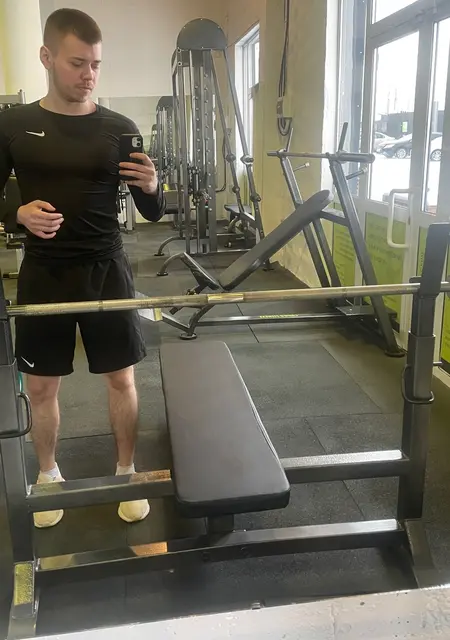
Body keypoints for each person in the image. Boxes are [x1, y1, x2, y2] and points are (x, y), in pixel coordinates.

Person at [0, 8, 166, 528]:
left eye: (95, 64)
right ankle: (49, 474)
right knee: (41, 387)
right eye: (77, 63)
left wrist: (153, 186)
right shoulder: (13, 124)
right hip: (44, 271)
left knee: (122, 379)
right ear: (46, 57)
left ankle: (126, 471)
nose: (89, 74)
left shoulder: (119, 129)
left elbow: (152, 212)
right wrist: (17, 213)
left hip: (106, 269)